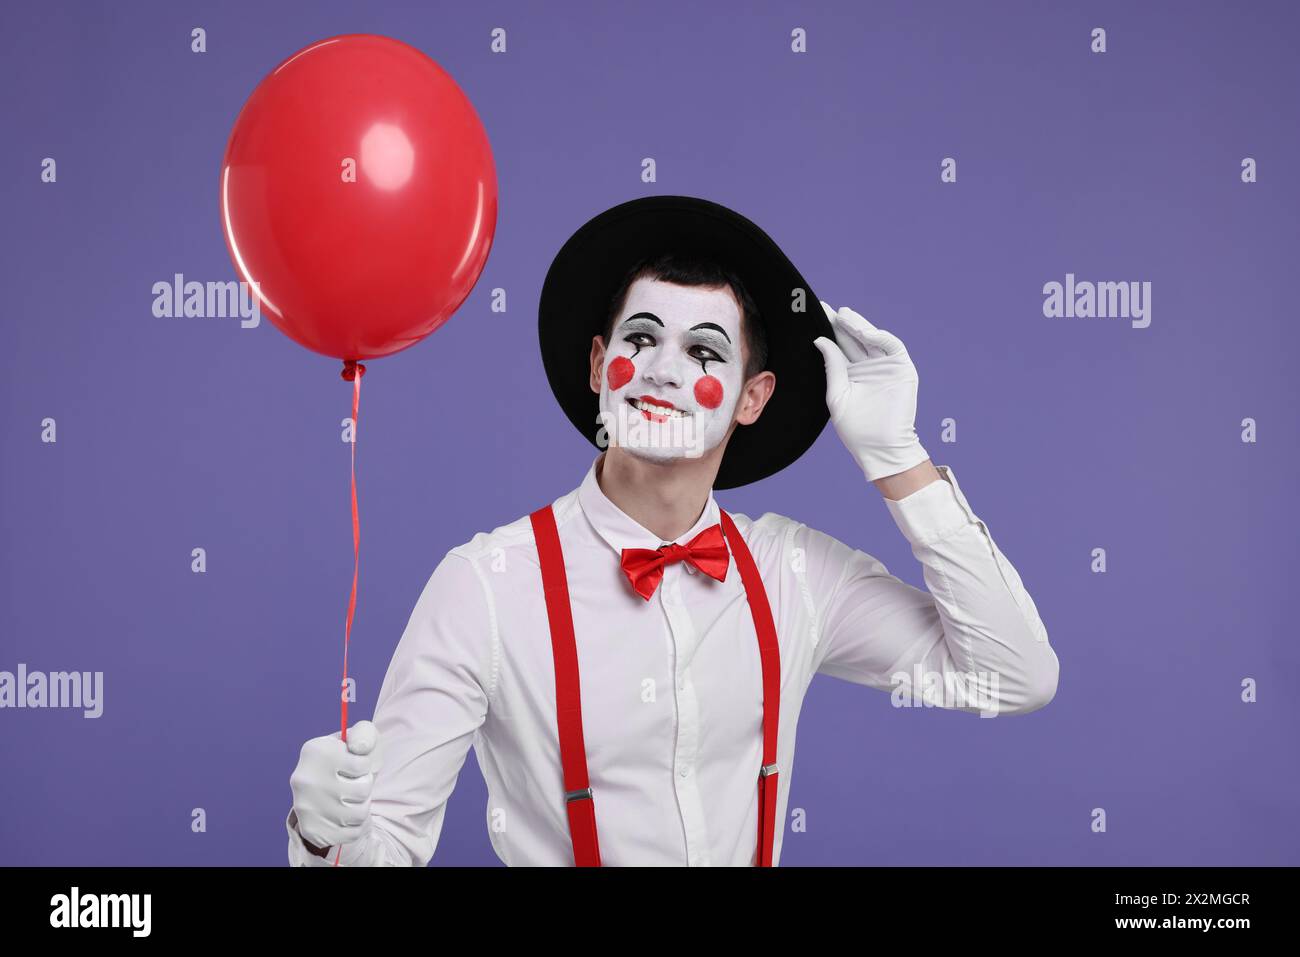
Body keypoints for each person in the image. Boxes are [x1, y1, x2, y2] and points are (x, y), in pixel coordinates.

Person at [286, 195, 1059, 867]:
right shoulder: (484, 585)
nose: (661, 370)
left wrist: (898, 455)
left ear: (752, 398)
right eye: (640, 338)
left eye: (703, 351)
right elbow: (383, 842)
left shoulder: (793, 573)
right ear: (598, 365)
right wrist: (325, 835)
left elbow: (1014, 674)